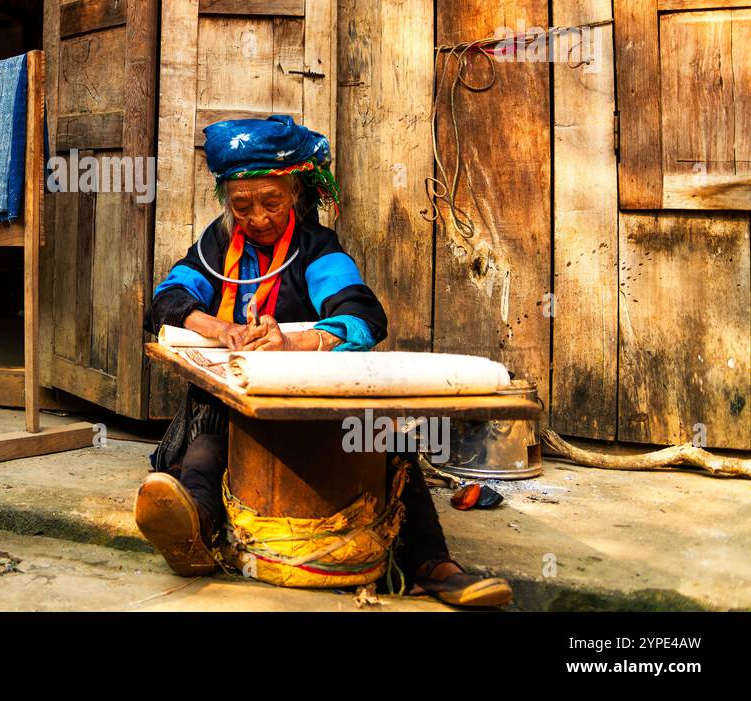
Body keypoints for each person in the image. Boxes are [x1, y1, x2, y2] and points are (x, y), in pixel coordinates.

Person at [134, 115, 512, 608]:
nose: (258, 218)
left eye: (272, 201)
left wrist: (292, 343)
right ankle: (194, 534)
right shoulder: (218, 242)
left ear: (295, 193)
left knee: (388, 445)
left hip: (310, 406)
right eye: (242, 205)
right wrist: (220, 329)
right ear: (227, 202)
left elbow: (363, 317)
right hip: (231, 404)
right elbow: (165, 301)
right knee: (206, 450)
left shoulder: (317, 249)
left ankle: (433, 565)